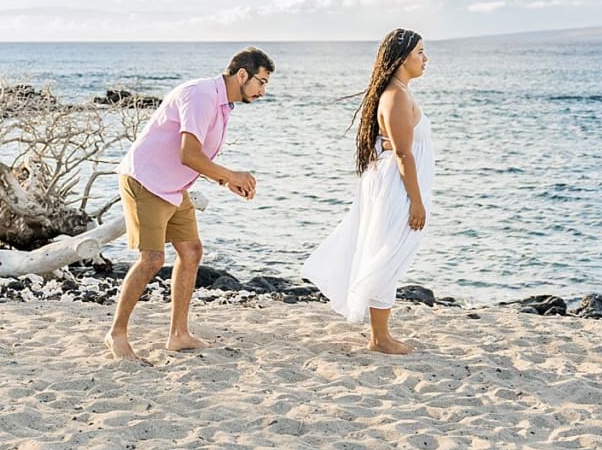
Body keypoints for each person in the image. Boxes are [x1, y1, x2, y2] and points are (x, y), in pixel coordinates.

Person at [106, 47, 275, 362]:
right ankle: (116, 333)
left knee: (191, 251)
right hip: (145, 180)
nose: (263, 91)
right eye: (261, 82)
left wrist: (226, 181)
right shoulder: (201, 96)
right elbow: (189, 154)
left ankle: (178, 335)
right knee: (152, 259)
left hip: (173, 186)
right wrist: (231, 174)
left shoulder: (222, 105)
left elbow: (198, 159)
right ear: (242, 75)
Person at [302, 29, 433, 355]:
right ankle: (380, 338)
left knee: (388, 252)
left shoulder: (398, 93)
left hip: (391, 182)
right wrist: (416, 201)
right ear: (402, 58)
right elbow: (403, 154)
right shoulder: (396, 96)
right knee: (387, 254)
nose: (425, 58)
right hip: (395, 187)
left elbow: (395, 147)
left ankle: (380, 334)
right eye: (419, 52)